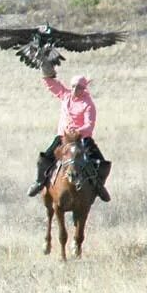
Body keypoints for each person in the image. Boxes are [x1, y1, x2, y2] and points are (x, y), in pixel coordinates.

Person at [27, 60, 111, 201]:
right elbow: (51, 84)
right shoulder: (65, 95)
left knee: (102, 164)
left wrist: (77, 131)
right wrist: (46, 71)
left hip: (82, 139)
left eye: (78, 87)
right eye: (73, 86)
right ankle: (39, 182)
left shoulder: (88, 104)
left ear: (84, 88)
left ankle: (99, 187)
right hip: (62, 137)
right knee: (44, 159)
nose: (74, 90)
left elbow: (89, 125)